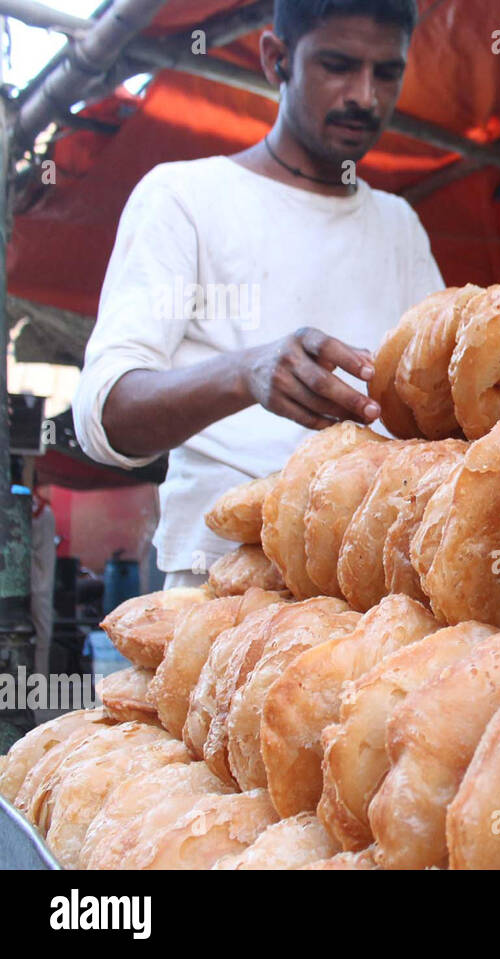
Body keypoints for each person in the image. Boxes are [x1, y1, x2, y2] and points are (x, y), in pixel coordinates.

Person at [73, 0, 440, 589]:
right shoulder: (184, 198)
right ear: (276, 60)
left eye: (386, 72)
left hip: (375, 596)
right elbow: (104, 417)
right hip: (218, 590)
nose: (365, 96)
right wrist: (245, 372)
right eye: (338, 65)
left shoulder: (399, 226)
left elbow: (438, 407)